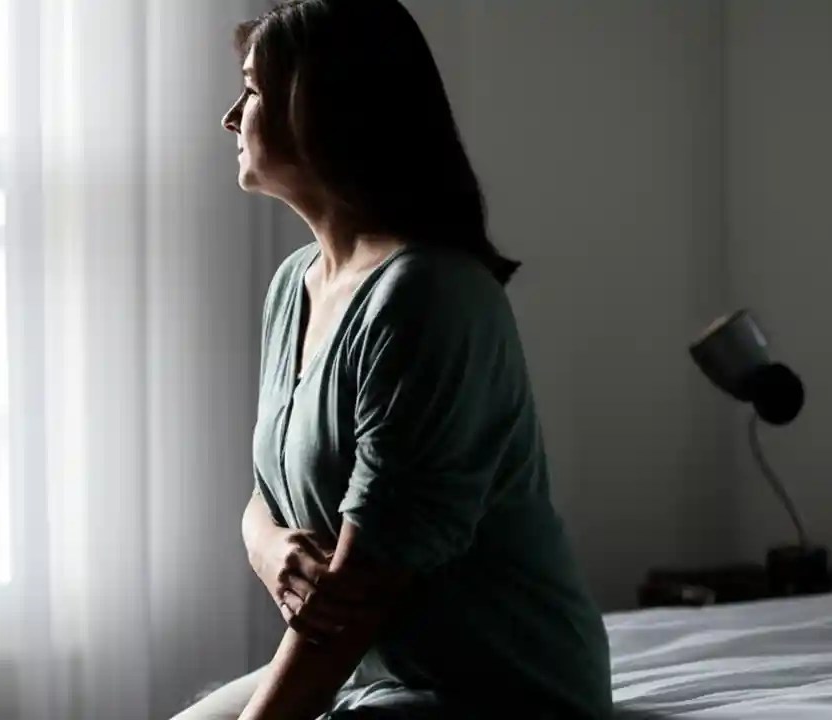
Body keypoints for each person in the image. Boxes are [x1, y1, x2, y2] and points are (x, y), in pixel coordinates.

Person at [174, 1, 612, 717]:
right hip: (369, 671)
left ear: (316, 105)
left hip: (494, 687)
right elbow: (269, 484)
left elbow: (362, 586)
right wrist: (265, 544)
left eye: (251, 90)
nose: (231, 116)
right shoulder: (295, 284)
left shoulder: (430, 296)